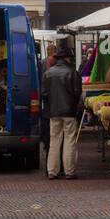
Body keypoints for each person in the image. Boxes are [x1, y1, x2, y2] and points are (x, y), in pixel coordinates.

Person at [41, 44, 82, 179]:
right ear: (67, 58)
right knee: (69, 141)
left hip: (53, 112)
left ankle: (52, 171)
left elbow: (44, 94)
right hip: (69, 111)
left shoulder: (48, 73)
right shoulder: (72, 72)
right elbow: (77, 93)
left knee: (54, 142)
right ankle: (69, 171)